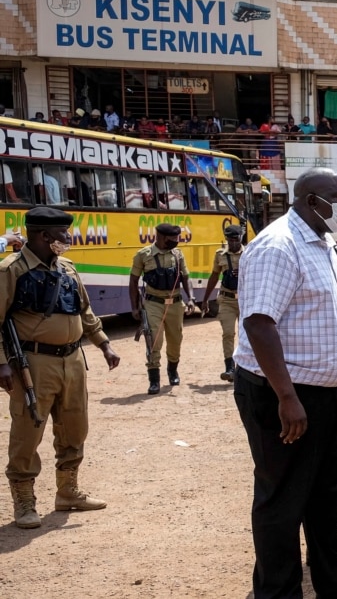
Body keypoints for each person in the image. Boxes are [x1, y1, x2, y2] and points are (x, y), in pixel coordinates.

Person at [233, 168, 337, 599]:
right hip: (284, 394)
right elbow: (260, 324)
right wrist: (286, 395)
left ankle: (336, 584)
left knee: (327, 494)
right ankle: (278, 592)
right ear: (309, 200)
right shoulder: (277, 246)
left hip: (323, 394)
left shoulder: (321, 243)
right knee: (282, 499)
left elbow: (325, 318)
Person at [2, 207, 121, 529]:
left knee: (75, 427)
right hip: (34, 364)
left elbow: (84, 309)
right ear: (44, 236)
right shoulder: (10, 270)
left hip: (72, 360)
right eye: (63, 235)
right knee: (28, 432)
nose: (68, 239)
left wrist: (104, 343)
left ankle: (68, 492)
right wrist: (2, 364)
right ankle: (24, 502)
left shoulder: (67, 268)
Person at [129, 223, 197, 395]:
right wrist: (134, 307)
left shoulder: (177, 254)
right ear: (160, 237)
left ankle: (172, 370)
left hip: (175, 303)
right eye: (172, 239)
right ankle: (154, 380)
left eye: (176, 238)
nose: (176, 241)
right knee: (154, 340)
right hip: (153, 304)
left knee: (176, 340)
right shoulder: (143, 255)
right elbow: (133, 281)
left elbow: (186, 278)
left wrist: (192, 299)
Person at [201, 225, 245, 382]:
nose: (233, 243)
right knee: (228, 333)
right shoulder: (220, 255)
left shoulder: (250, 253)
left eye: (236, 239)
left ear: (241, 237)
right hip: (226, 299)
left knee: (246, 335)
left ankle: (245, 368)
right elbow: (214, 276)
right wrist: (205, 299)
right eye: (229, 240)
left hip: (245, 300)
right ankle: (229, 367)